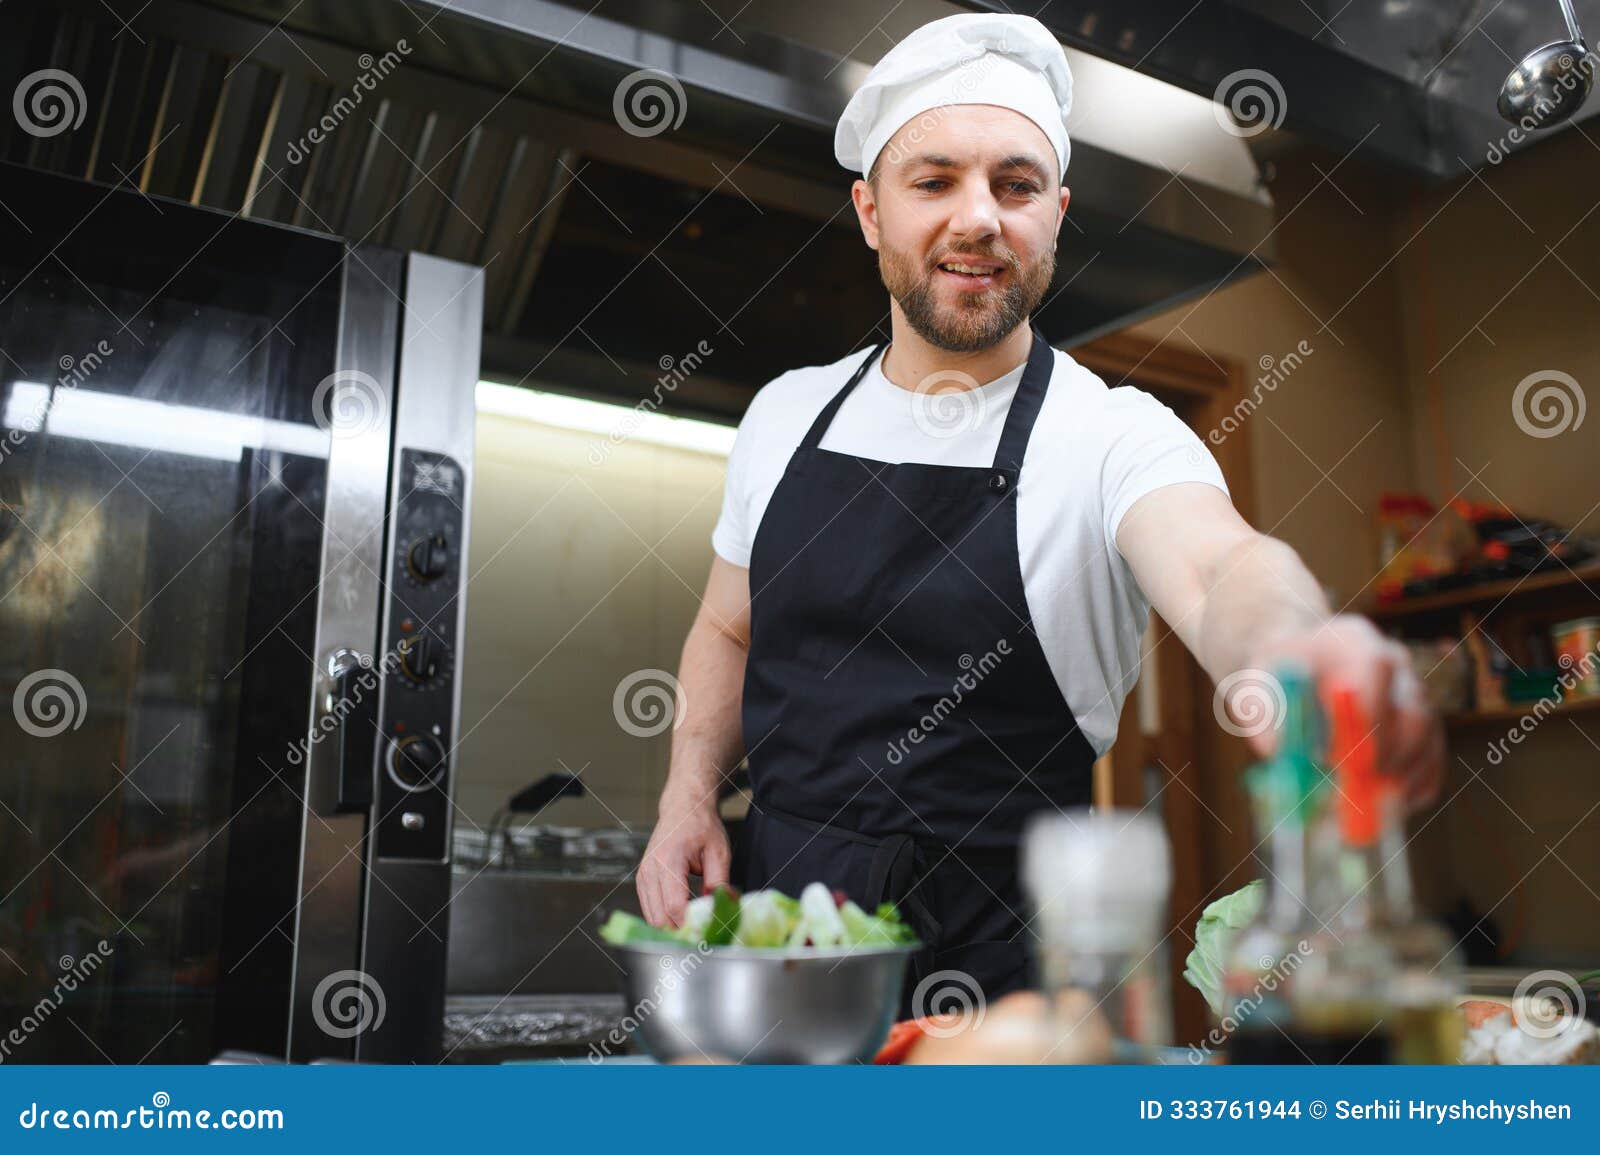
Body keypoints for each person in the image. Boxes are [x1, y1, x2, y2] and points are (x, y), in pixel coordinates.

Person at [635, 13, 1443, 1004]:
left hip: (1003, 982)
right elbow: (726, 625)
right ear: (869, 211)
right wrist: (686, 800)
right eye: (933, 181)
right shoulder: (784, 414)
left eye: (1014, 185)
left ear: (1055, 212)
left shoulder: (1108, 434)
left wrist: (1299, 650)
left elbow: (1221, 567)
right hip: (779, 951)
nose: (979, 218)